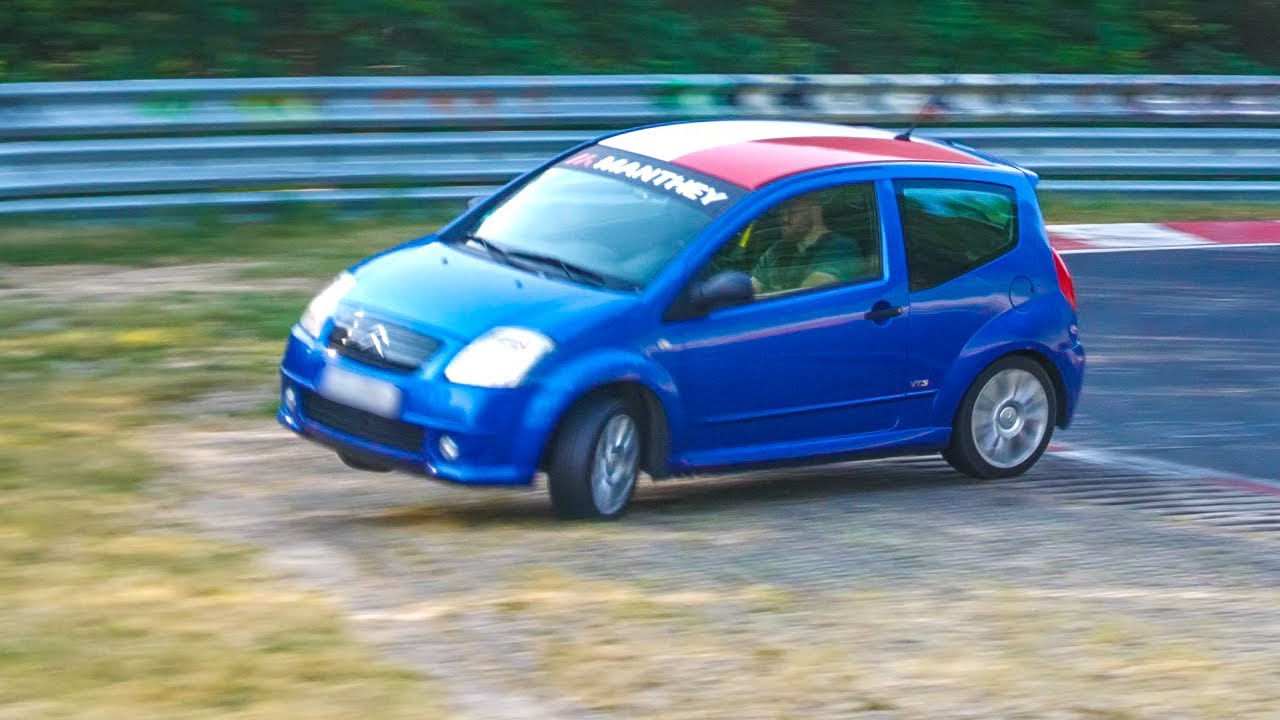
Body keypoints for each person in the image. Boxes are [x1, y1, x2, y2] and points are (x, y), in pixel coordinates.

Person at [750, 194, 864, 294]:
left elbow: (809, 295)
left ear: (815, 211)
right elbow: (750, 289)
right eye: (782, 212)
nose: (784, 219)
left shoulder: (840, 248)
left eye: (792, 212)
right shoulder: (777, 250)